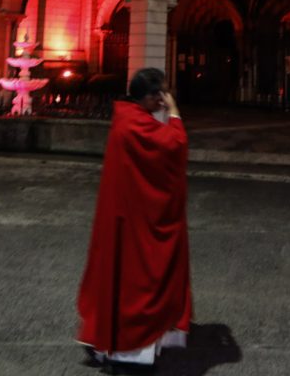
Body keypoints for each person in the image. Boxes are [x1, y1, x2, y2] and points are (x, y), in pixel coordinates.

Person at [77, 67, 192, 369]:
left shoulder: (127, 116)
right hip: (137, 219)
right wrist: (175, 112)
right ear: (153, 95)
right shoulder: (138, 126)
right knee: (137, 278)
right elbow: (175, 145)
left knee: (115, 277)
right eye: (162, 93)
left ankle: (106, 343)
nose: (165, 98)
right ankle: (129, 349)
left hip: (121, 213)